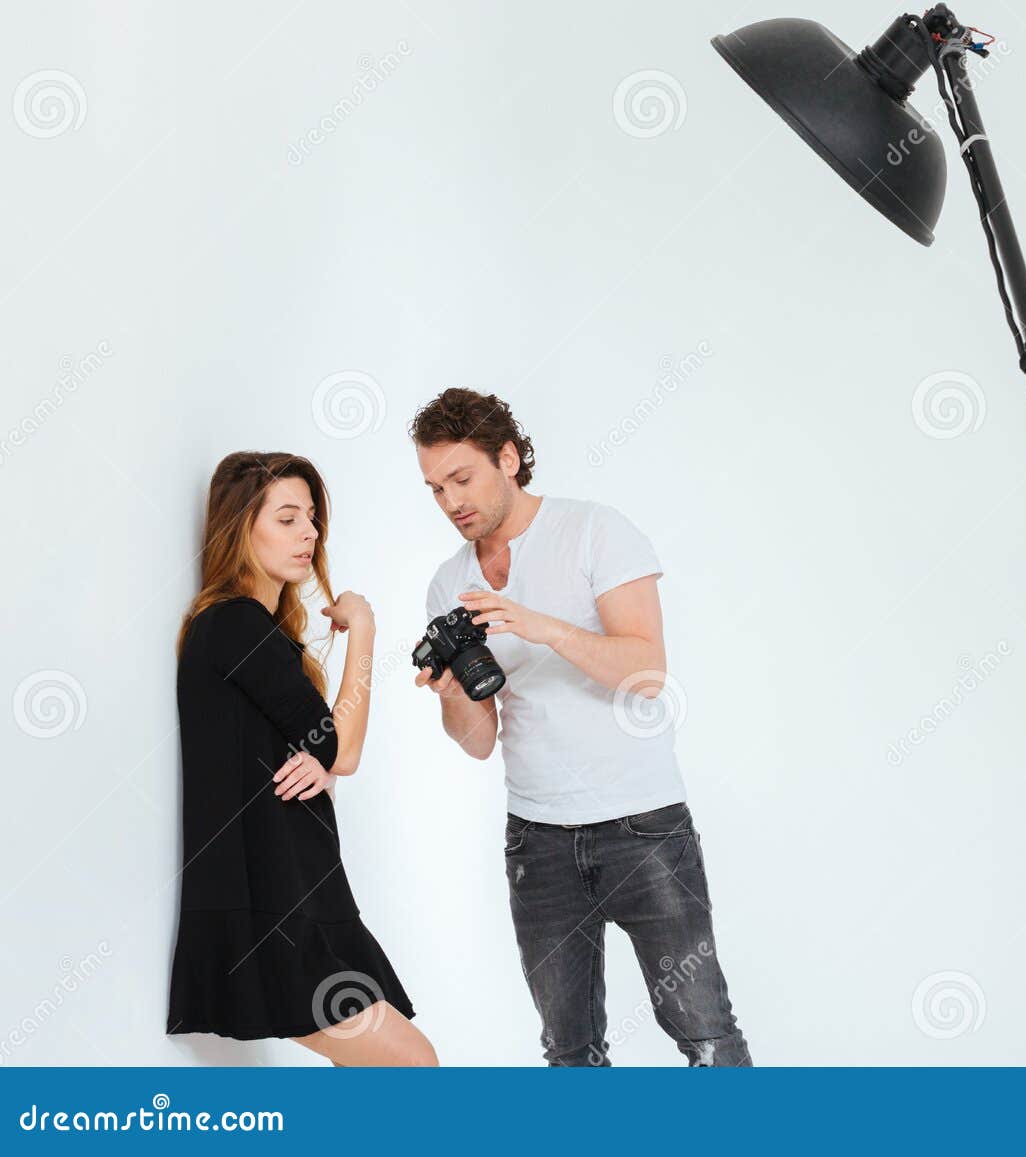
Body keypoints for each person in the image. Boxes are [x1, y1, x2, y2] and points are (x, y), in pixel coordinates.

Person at [410, 388, 750, 1066]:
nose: (451, 501)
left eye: (462, 478)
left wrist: (541, 627)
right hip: (537, 841)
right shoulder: (449, 585)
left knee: (706, 1034)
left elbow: (646, 671)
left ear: (508, 459)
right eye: (435, 488)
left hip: (643, 826)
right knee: (569, 1051)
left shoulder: (595, 530)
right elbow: (479, 741)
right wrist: (450, 696)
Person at [167, 451, 436, 1066]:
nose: (309, 533)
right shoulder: (234, 625)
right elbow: (344, 749)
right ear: (240, 528)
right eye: (287, 518)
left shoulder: (262, 633)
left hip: (302, 896)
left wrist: (321, 761)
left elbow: (323, 758)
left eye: (311, 518)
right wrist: (363, 627)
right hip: (272, 911)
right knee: (413, 1063)